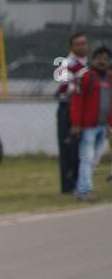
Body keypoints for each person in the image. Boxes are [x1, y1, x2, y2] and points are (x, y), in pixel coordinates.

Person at [69, 44, 109, 201]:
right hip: (88, 127)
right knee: (87, 158)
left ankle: (81, 188)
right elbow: (77, 102)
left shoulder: (108, 79)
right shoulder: (85, 77)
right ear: (93, 60)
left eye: (105, 59)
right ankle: (85, 190)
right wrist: (76, 124)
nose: (102, 62)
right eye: (99, 59)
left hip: (102, 125)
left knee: (94, 160)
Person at [57, 31, 89, 194]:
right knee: (68, 148)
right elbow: (64, 88)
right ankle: (68, 185)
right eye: (78, 44)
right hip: (68, 109)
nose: (82, 46)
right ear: (71, 46)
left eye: (84, 43)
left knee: (82, 149)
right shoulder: (65, 64)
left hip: (85, 110)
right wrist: (80, 85)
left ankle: (80, 182)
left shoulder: (89, 64)